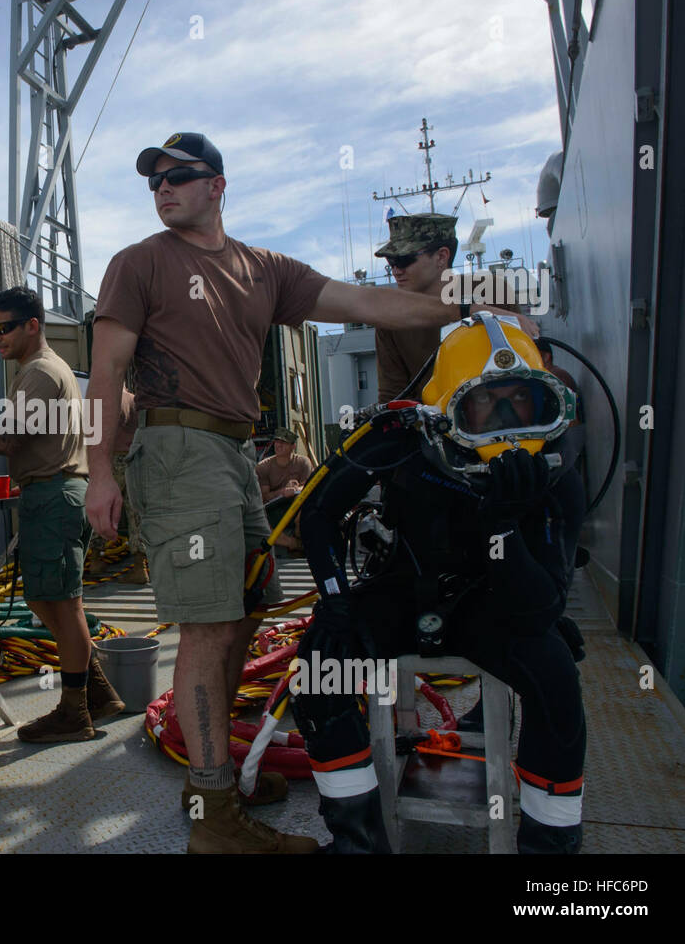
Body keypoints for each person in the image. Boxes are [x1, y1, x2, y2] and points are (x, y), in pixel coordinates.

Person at [85, 132, 538, 854]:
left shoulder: (263, 269)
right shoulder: (139, 262)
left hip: (234, 449)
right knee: (207, 623)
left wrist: (474, 301)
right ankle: (213, 818)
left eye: (179, 175)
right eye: (155, 180)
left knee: (243, 609)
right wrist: (100, 468)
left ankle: (216, 779)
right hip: (177, 449)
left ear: (217, 185)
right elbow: (105, 369)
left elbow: (365, 300)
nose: (163, 187)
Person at [292, 313, 586, 853]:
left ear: (545, 404)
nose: (504, 417)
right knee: (316, 673)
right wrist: (334, 604)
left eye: (519, 400)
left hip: (496, 603)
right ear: (447, 406)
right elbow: (316, 514)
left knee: (556, 681)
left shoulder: (556, 470)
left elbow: (538, 610)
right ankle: (359, 843)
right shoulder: (400, 438)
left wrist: (502, 523)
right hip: (404, 590)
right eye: (485, 403)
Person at [0, 286, 125, 743]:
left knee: (64, 603)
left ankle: (74, 712)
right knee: (42, 599)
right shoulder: (38, 372)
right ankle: (97, 690)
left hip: (54, 495)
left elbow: (7, 441)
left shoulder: (38, 373)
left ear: (33, 325)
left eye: (5, 328)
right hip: (47, 495)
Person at [373, 213, 458, 403]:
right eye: (391, 262)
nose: (396, 271)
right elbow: (392, 396)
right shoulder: (391, 320)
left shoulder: (491, 294)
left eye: (404, 260)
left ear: (441, 256)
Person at [85, 386, 147, 583]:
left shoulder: (104, 399)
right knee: (135, 514)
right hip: (133, 460)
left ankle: (95, 559)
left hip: (110, 461)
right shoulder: (135, 401)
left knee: (105, 510)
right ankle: (140, 566)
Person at [255, 427, 313, 551]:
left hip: (298, 504)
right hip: (274, 509)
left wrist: (296, 488)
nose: (278, 445)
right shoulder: (263, 467)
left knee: (308, 505)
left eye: (283, 442)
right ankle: (295, 544)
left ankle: (300, 536)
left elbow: (309, 487)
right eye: (277, 441)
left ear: (293, 446)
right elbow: (264, 497)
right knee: (261, 521)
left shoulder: (303, 462)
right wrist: (282, 492)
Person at [534, 337, 582, 426]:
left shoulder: (556, 377)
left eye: (532, 355)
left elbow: (570, 418)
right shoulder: (545, 377)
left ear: (546, 357)